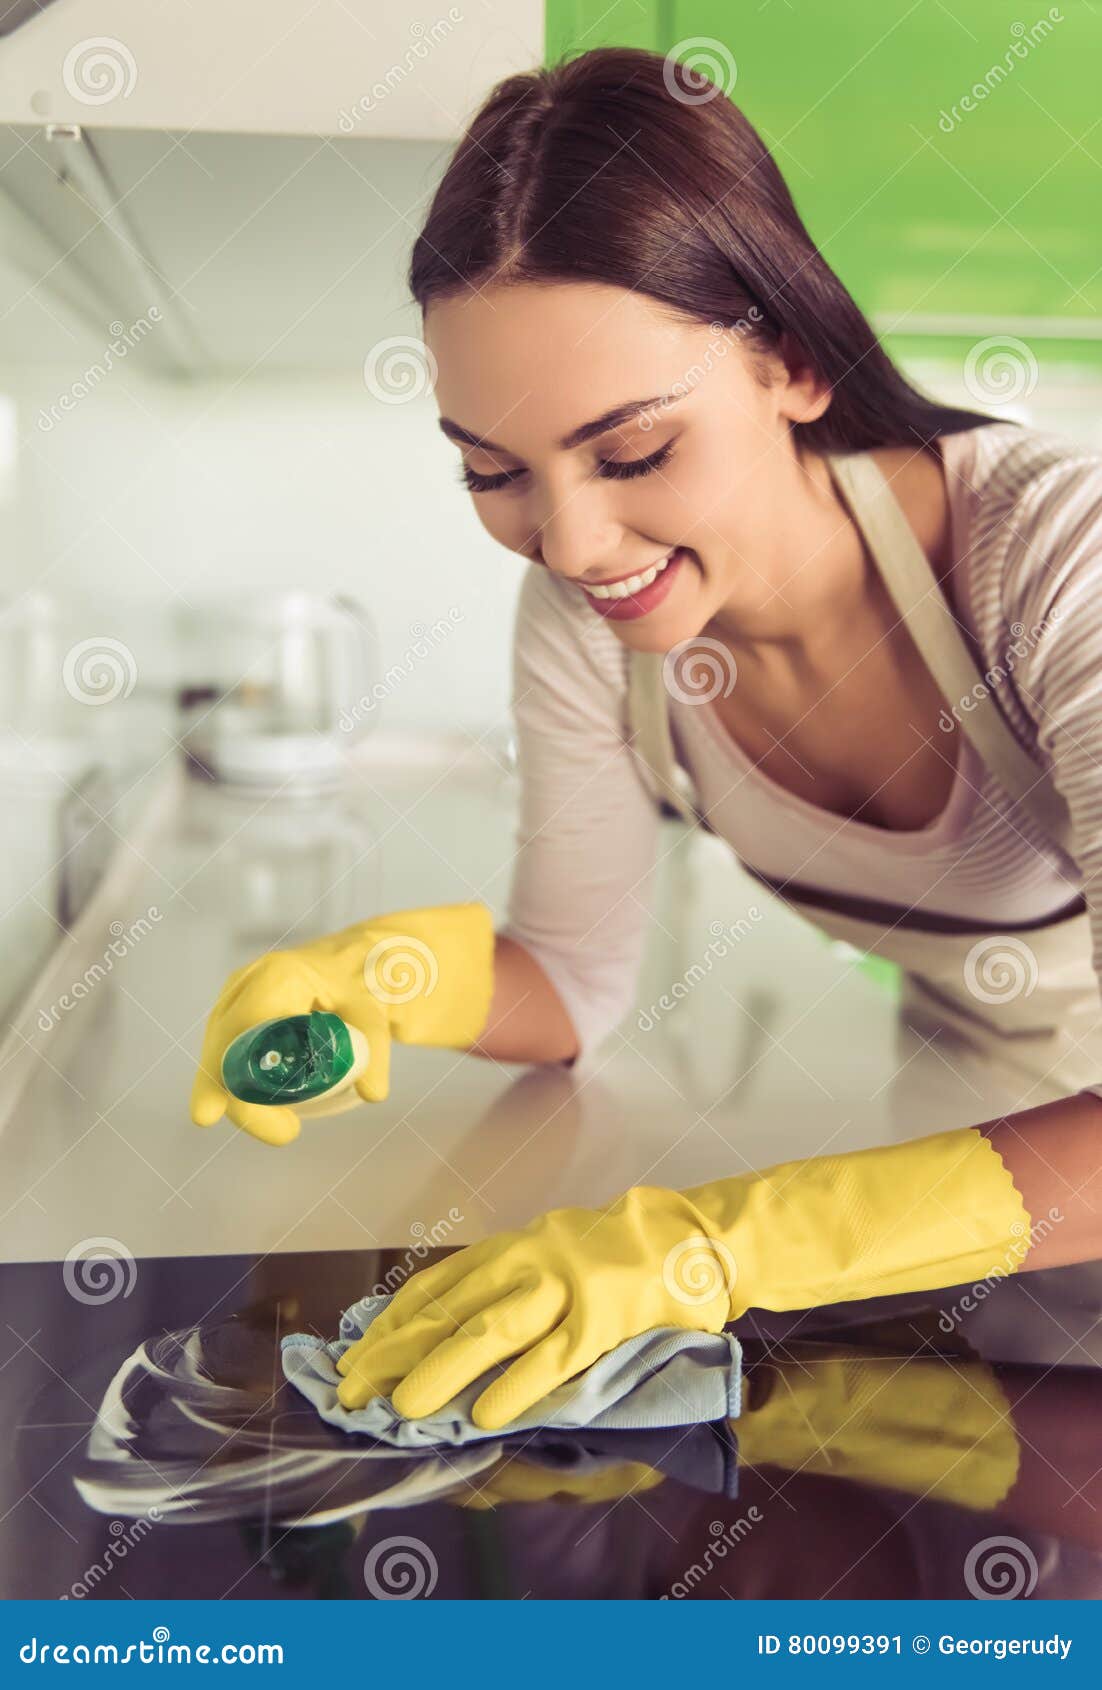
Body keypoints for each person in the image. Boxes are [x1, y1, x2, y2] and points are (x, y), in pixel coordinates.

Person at [190, 48, 1102, 1430]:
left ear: (791, 362)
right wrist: (380, 980)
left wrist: (716, 1246)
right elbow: (566, 979)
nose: (568, 540)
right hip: (969, 1174)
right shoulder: (586, 622)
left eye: (629, 454)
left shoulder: (1052, 556)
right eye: (492, 472)